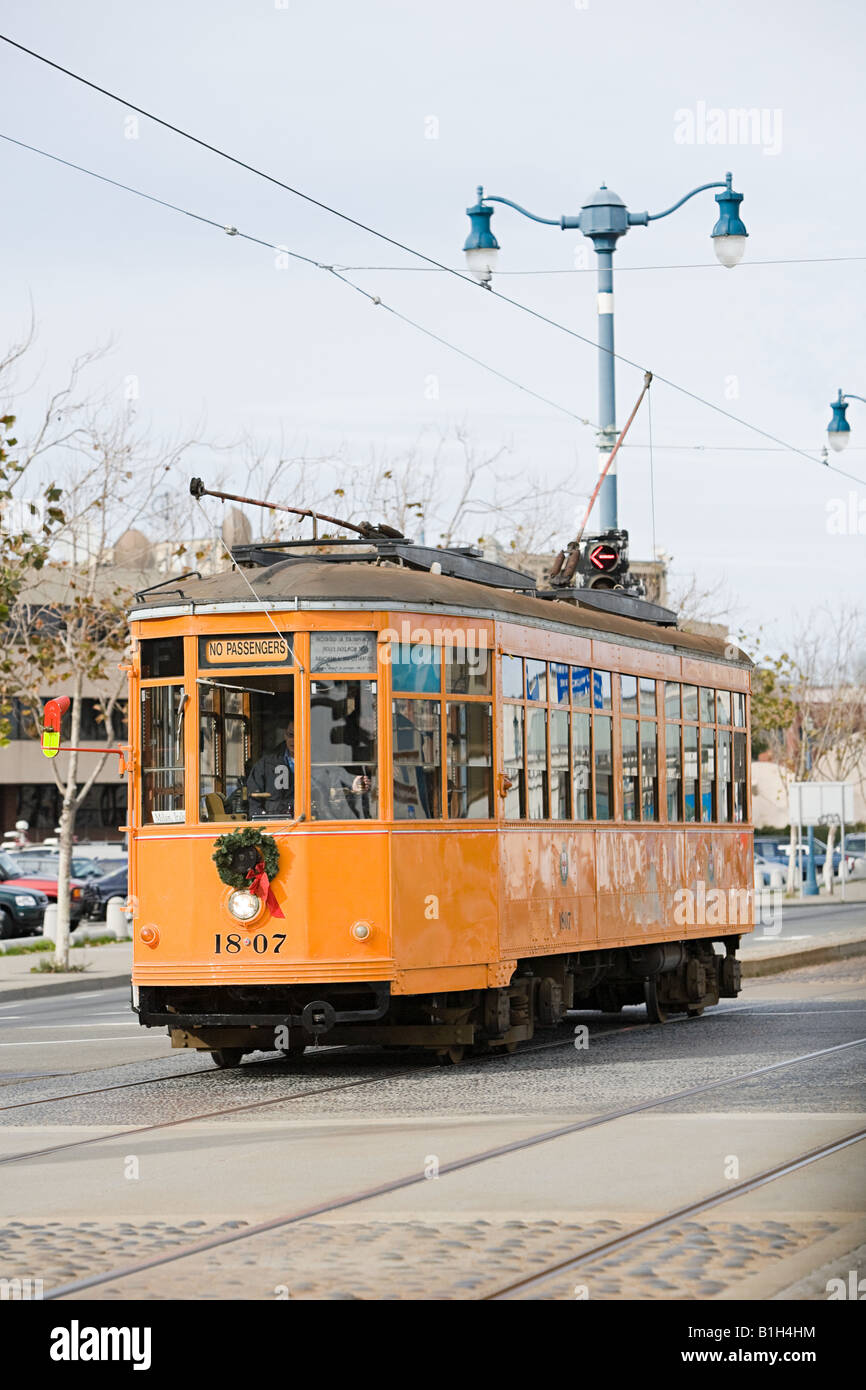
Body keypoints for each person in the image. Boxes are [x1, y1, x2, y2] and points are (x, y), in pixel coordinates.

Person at [246, 719, 295, 817]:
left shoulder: (318, 763)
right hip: (274, 822)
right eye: (291, 735)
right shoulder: (267, 763)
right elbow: (254, 799)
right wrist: (262, 820)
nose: (294, 740)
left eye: (300, 736)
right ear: (285, 735)